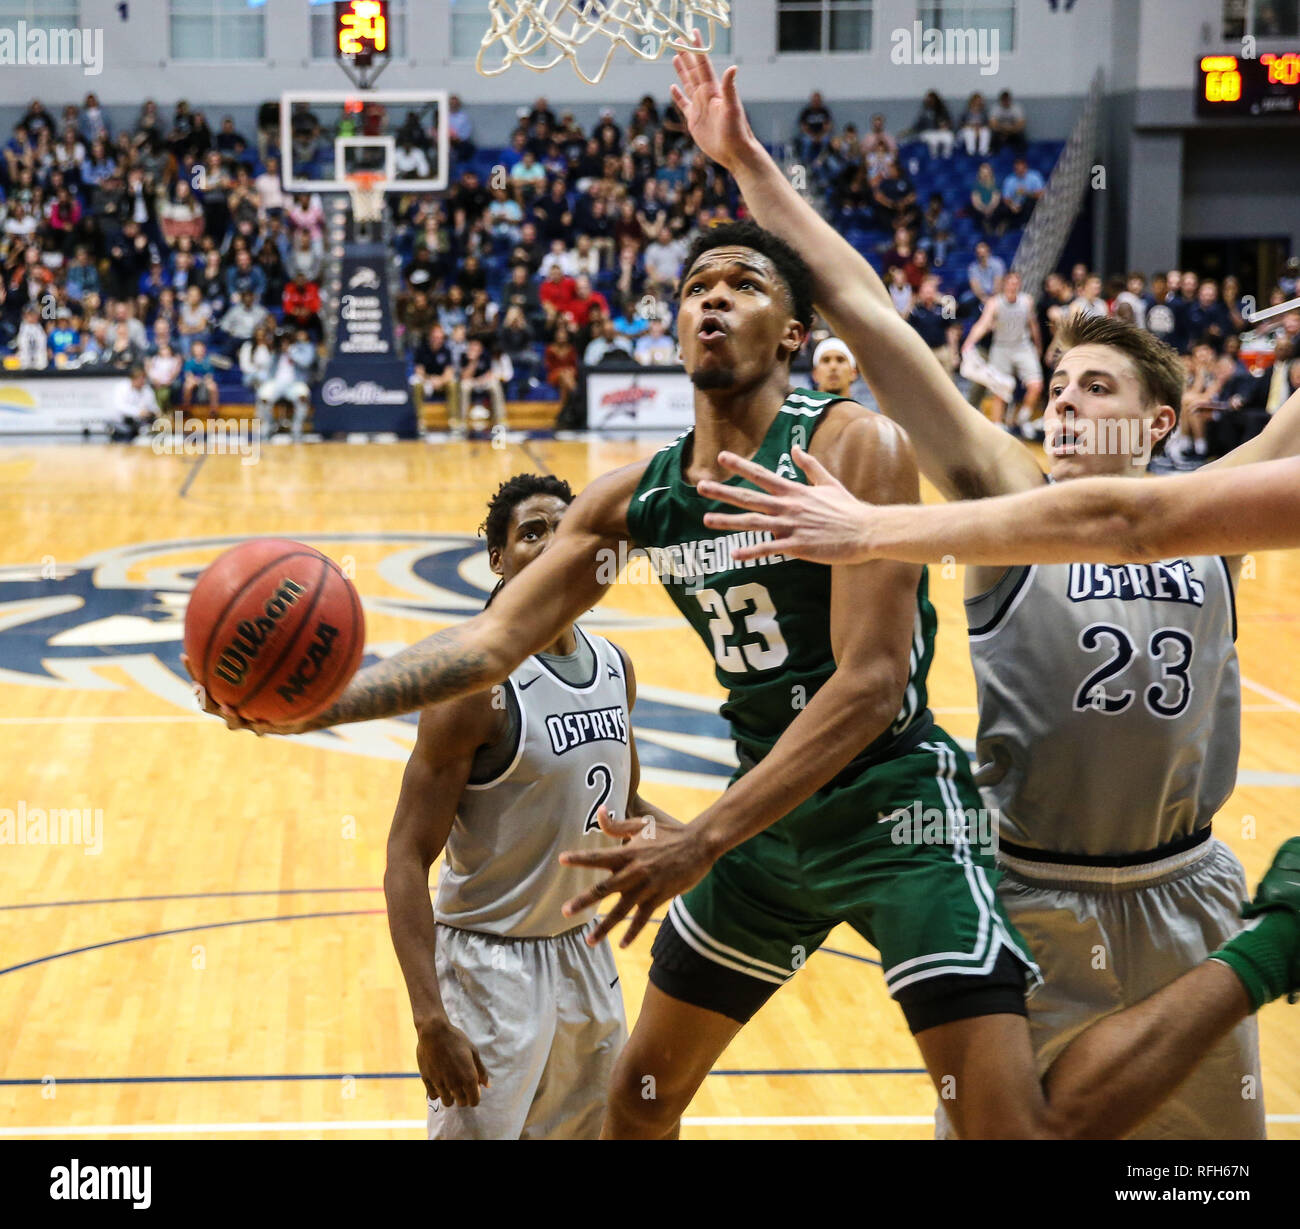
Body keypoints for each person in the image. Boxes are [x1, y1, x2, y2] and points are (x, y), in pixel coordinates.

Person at [668, 42, 1300, 1142]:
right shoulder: (998, 496)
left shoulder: (1210, 510)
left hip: (1187, 883)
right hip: (1033, 894)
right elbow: (864, 309)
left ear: (1157, 424)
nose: (1059, 402)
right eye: (1053, 383)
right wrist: (750, 169)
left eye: (1092, 387)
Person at [386, 474, 673, 1138]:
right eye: (530, 532)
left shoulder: (614, 666)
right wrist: (430, 1018)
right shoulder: (470, 685)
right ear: (497, 558)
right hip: (489, 965)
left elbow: (623, 807)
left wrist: (719, 842)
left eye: (562, 529)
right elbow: (405, 854)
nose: (549, 545)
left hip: (583, 954)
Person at [961, 270, 1043, 428]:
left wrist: (1038, 346)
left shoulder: (1027, 301)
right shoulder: (994, 303)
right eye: (1011, 282)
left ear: (1020, 285)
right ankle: (998, 425)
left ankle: (1022, 419)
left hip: (1023, 346)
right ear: (1005, 284)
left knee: (1036, 385)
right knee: (999, 390)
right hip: (1001, 347)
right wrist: (969, 342)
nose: (1013, 285)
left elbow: (1034, 325)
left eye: (1016, 283)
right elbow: (983, 324)